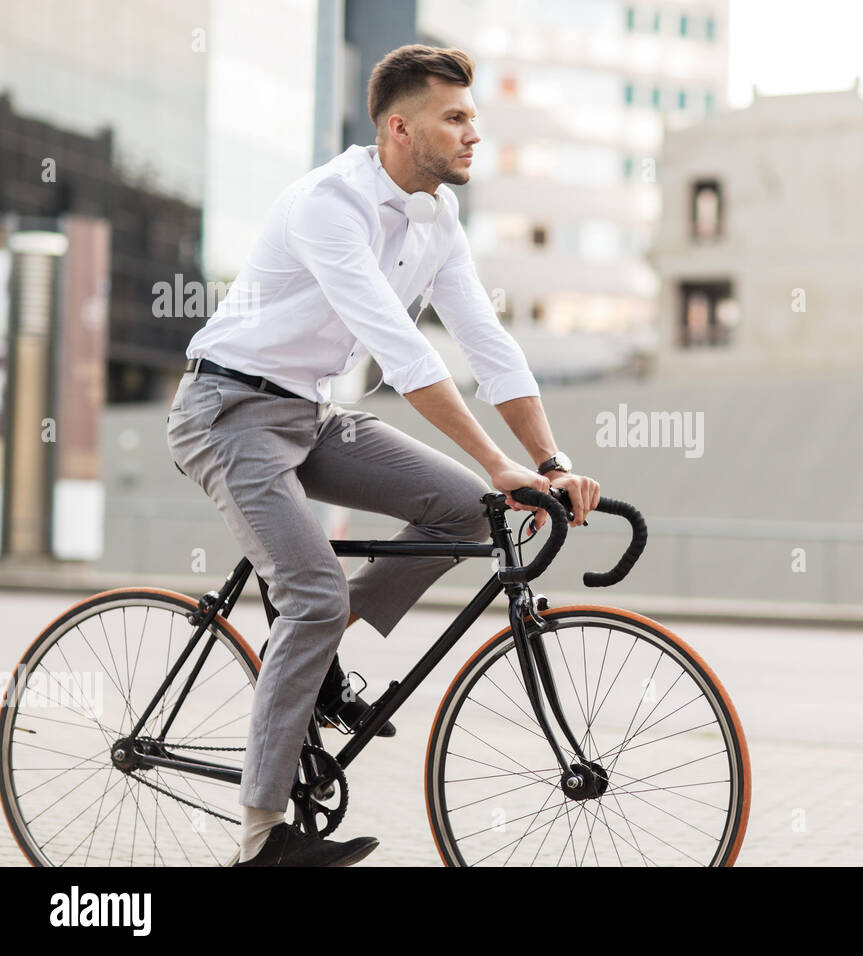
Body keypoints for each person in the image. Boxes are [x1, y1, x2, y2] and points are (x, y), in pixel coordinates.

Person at [165, 44, 599, 867]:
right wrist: (497, 457)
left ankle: (320, 651)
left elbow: (486, 343)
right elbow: (400, 350)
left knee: (465, 504)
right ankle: (260, 842)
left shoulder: (440, 220)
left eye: (475, 118)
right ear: (400, 128)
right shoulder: (331, 204)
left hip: (311, 413)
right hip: (226, 411)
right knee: (314, 596)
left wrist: (543, 463)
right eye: (456, 118)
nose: (475, 135)